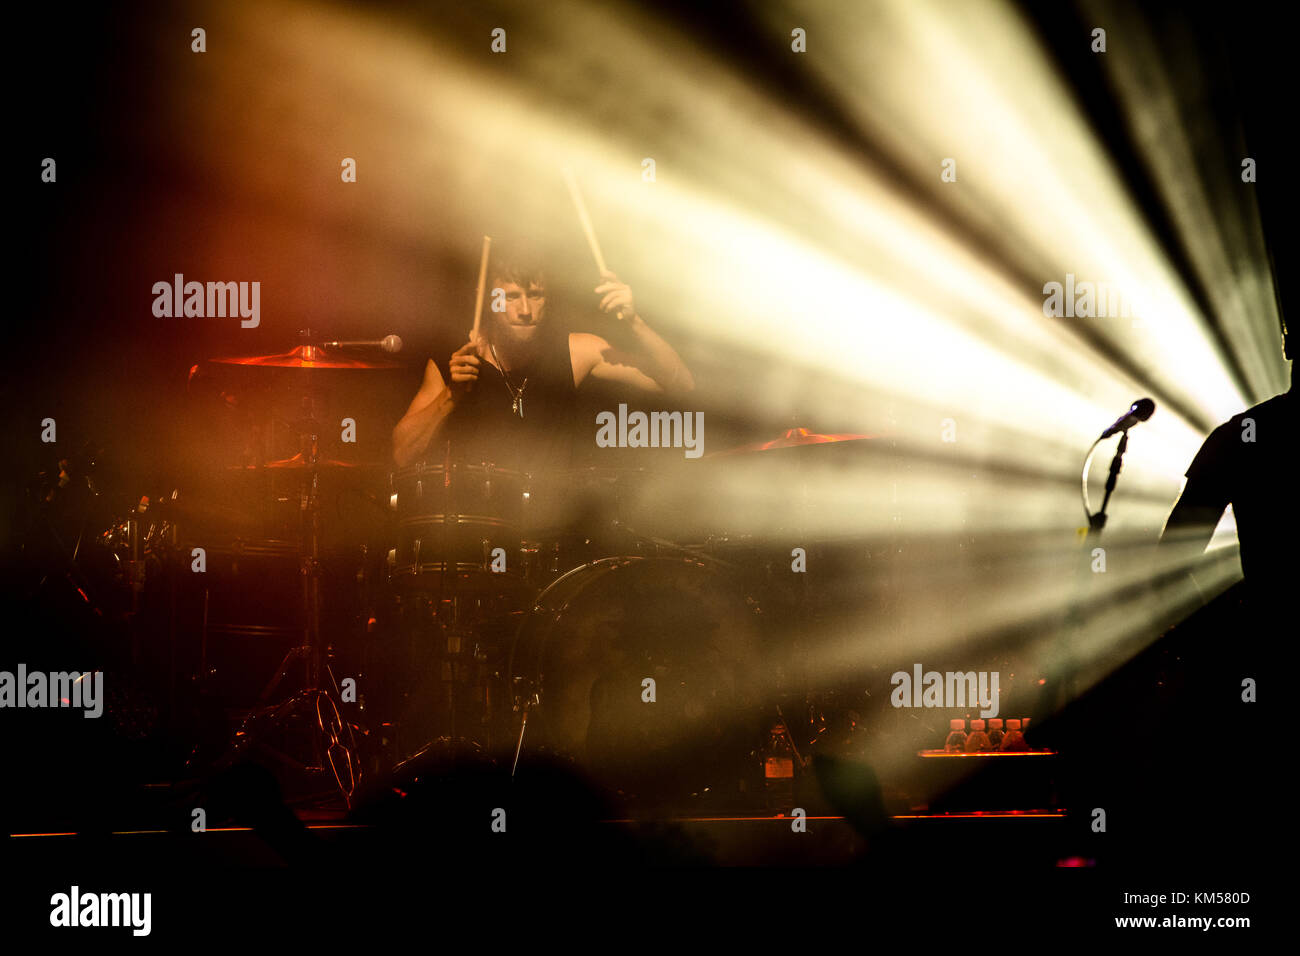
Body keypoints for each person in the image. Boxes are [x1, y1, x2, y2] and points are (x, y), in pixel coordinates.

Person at [391, 247, 694, 472]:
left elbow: (680, 384)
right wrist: (450, 395)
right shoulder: (458, 360)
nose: (525, 309)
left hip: (553, 539)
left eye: (535, 295)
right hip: (475, 540)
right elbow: (402, 454)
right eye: (510, 297)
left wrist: (635, 321)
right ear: (489, 300)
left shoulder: (578, 352)